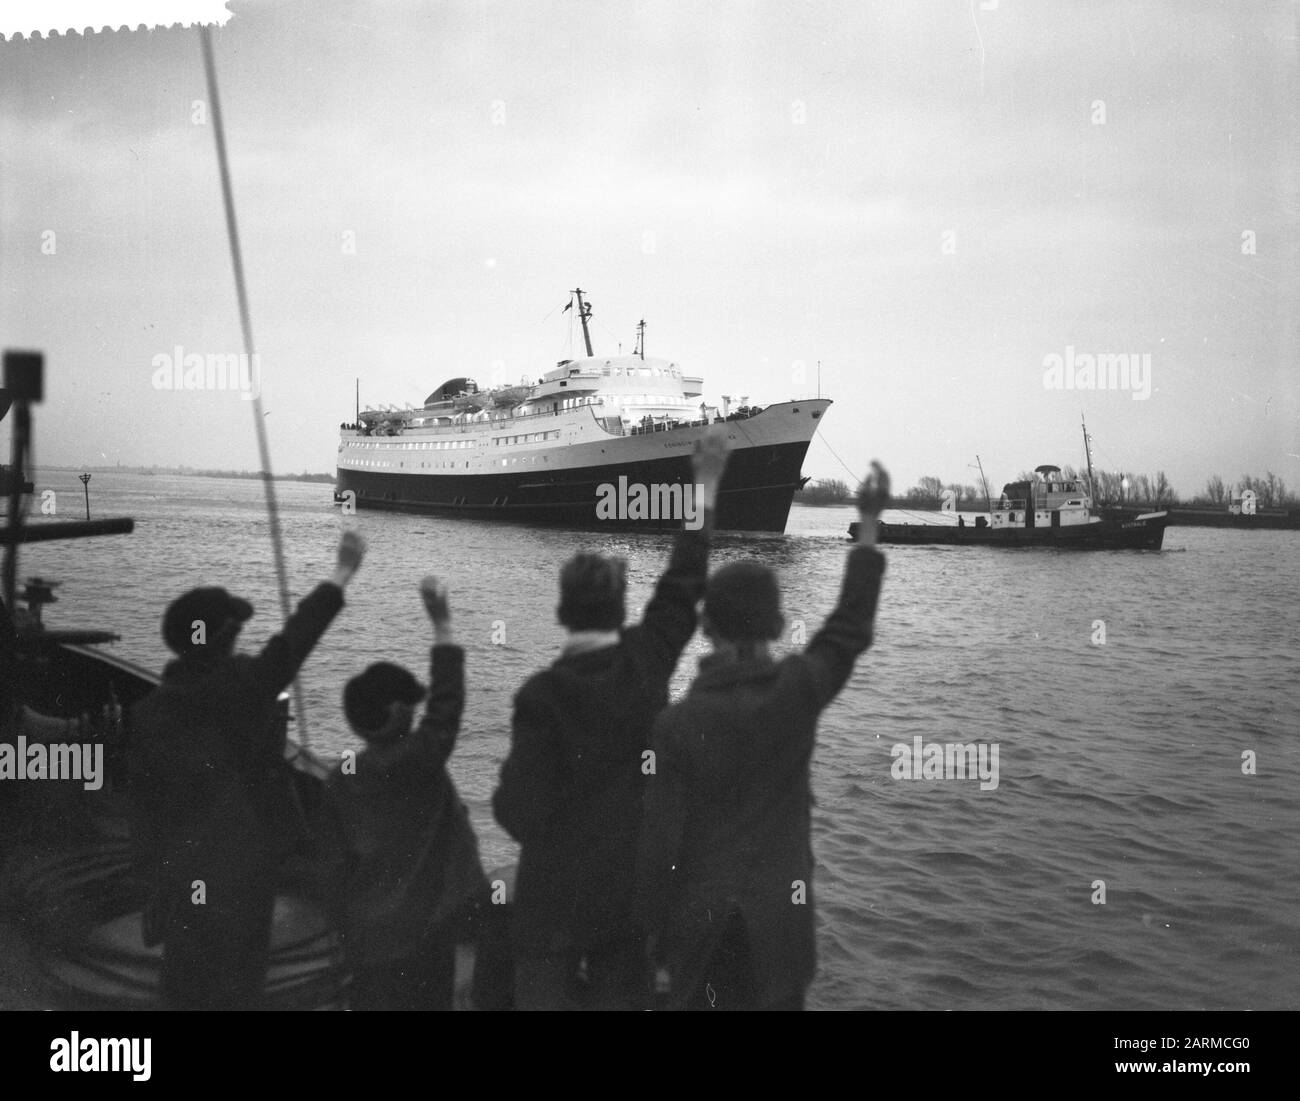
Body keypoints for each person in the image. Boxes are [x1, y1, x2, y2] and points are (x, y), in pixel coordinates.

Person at [636, 462, 891, 1011]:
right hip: (779, 933)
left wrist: (651, 946)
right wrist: (867, 525)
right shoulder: (795, 694)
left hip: (700, 937)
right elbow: (849, 628)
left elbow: (658, 853)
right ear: (777, 625)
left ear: (706, 627)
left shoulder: (675, 726)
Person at [493, 430, 730, 1010]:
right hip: (627, 896)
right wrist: (704, 487)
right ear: (623, 609)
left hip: (552, 898)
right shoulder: (646, 665)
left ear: (562, 611)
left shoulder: (540, 696)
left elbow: (516, 810)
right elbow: (683, 584)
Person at [128, 530, 366, 1011]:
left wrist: (155, 888)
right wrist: (343, 570)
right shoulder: (245, 686)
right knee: (239, 983)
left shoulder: (147, 714)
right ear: (223, 640)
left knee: (184, 979)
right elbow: (296, 639)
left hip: (182, 878)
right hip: (241, 874)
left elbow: (144, 815)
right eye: (235, 632)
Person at [324, 576, 487, 1011]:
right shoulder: (420, 758)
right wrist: (442, 624)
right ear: (398, 713)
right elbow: (446, 705)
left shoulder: (342, 776)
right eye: (410, 704)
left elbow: (331, 862)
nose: (417, 709)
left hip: (367, 936)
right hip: (425, 932)